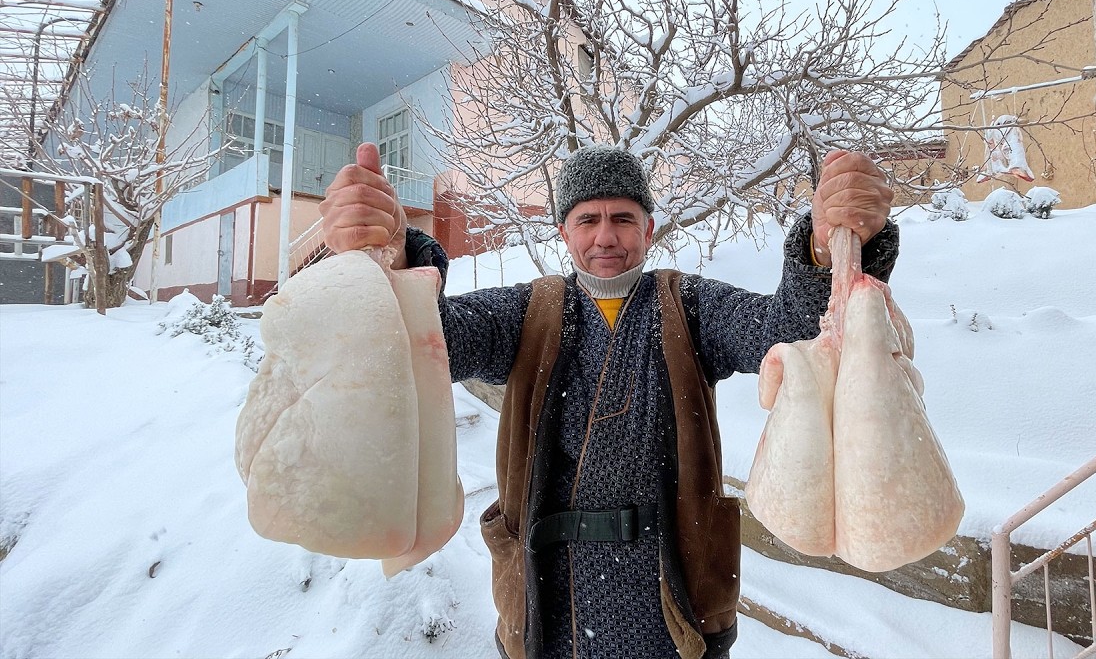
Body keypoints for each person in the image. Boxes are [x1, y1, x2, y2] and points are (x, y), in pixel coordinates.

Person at [320, 142, 899, 659]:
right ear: (563, 232)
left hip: (670, 602)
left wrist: (826, 251)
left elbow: (792, 331)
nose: (605, 236)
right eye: (587, 219)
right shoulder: (528, 312)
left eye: (623, 218)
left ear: (648, 230)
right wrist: (390, 257)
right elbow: (431, 338)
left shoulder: (687, 306)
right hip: (549, 606)